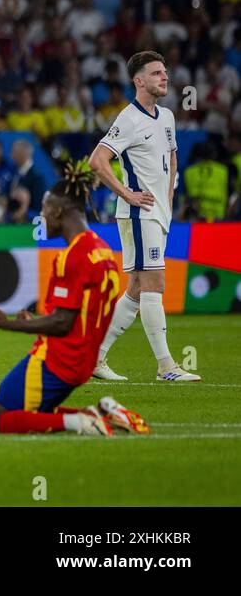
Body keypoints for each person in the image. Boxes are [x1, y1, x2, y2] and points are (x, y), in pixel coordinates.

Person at [0, 163, 150, 436]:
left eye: (45, 210)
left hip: (56, 361)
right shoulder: (102, 251)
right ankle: (102, 413)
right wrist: (37, 321)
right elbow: (78, 316)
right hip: (82, 361)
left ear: (58, 211)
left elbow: (62, 322)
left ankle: (81, 422)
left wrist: (6, 324)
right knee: (31, 411)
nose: (41, 216)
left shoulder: (72, 257)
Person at [88, 50, 199, 382]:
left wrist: (167, 199)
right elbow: (98, 160)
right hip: (139, 215)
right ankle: (166, 366)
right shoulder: (129, 118)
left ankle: (94, 358)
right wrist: (128, 194)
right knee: (155, 282)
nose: (164, 77)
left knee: (137, 289)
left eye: (165, 72)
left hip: (158, 214)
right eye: (156, 73)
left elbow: (172, 158)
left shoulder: (166, 117)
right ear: (138, 81)